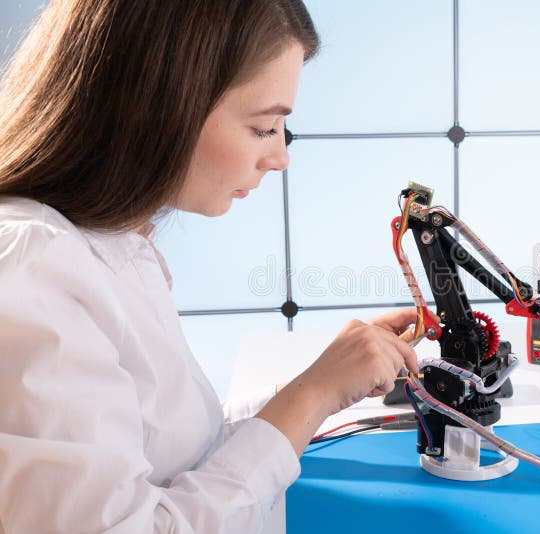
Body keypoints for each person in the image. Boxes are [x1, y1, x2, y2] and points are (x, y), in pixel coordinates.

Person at [0, 1, 419, 531]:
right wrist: (313, 393)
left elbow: (171, 455)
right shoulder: (32, 265)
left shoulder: (113, 246)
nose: (279, 158)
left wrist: (326, 382)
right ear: (161, 104)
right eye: (265, 127)